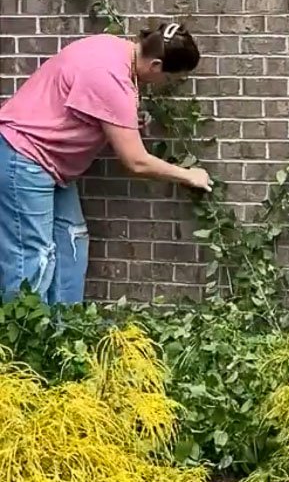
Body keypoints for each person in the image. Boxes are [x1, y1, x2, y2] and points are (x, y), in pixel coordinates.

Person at [0, 23, 212, 305]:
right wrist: (188, 176)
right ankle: (20, 333)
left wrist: (123, 120)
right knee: (32, 256)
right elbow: (136, 162)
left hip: (52, 164)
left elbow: (85, 102)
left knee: (71, 243)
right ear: (156, 65)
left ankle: (64, 328)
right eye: (170, 78)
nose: (166, 84)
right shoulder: (111, 79)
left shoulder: (111, 48)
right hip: (23, 156)